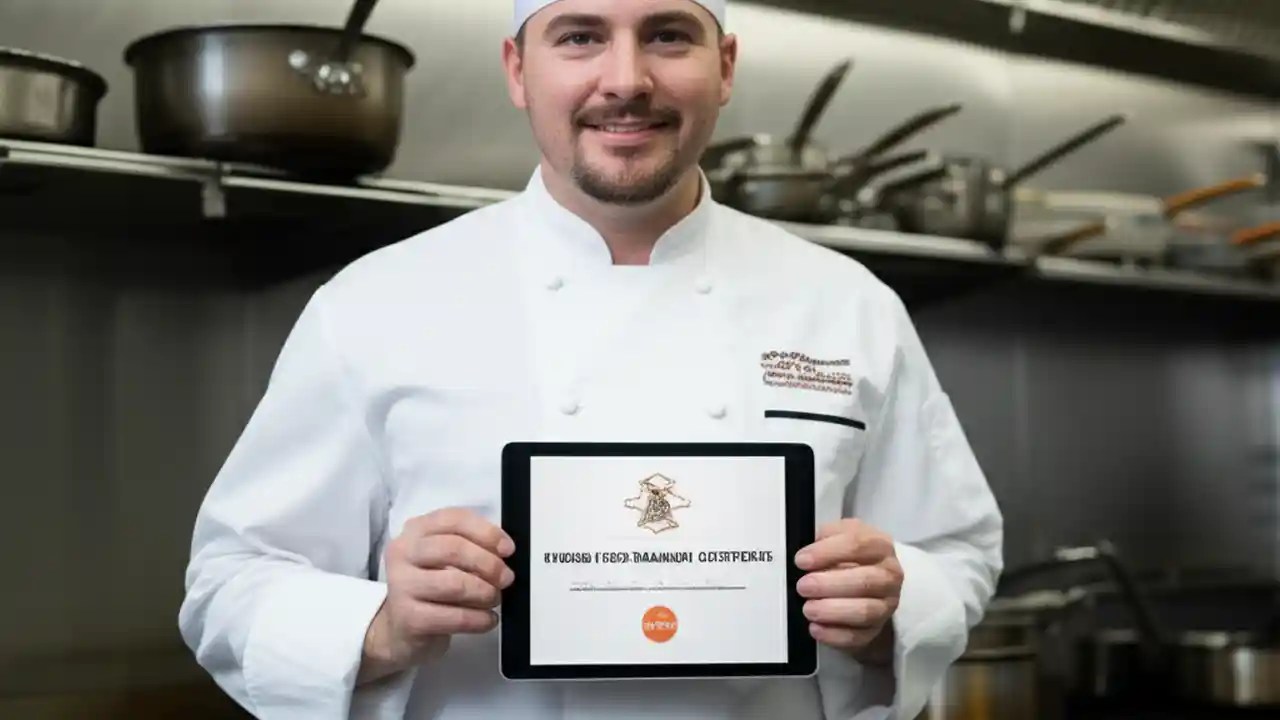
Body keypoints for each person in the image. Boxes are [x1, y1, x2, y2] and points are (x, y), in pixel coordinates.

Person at [176, 0, 1004, 718]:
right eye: (578, 37)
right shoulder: (376, 304)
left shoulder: (848, 305)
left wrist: (889, 610)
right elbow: (231, 581)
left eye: (668, 36)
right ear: (516, 69)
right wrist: (381, 625)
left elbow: (956, 550)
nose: (626, 79)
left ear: (724, 67)